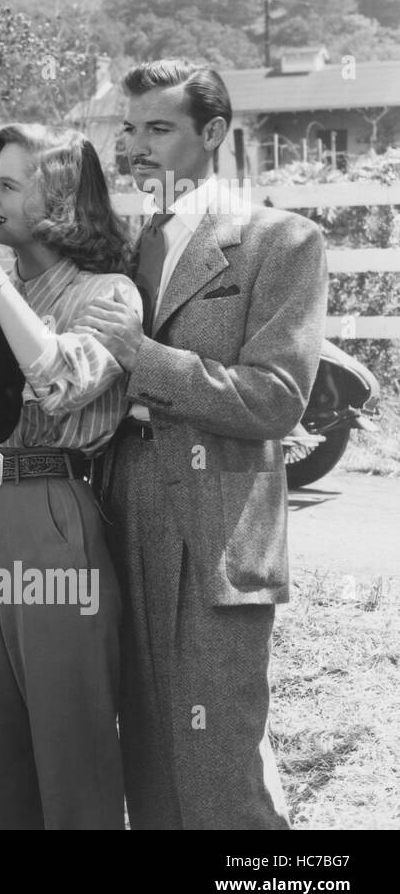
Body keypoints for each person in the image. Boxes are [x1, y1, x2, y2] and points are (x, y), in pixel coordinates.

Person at [74, 59, 327, 829]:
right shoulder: (122, 245)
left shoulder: (281, 240)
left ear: (212, 134)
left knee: (220, 759)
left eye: (159, 128)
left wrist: (142, 358)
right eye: (131, 127)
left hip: (220, 521)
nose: (138, 145)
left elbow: (278, 399)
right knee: (147, 749)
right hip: (122, 503)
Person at [0, 124, 141, 829]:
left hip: (52, 513)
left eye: (6, 185)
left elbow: (59, 381)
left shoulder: (108, 293)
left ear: (62, 203)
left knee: (71, 749)